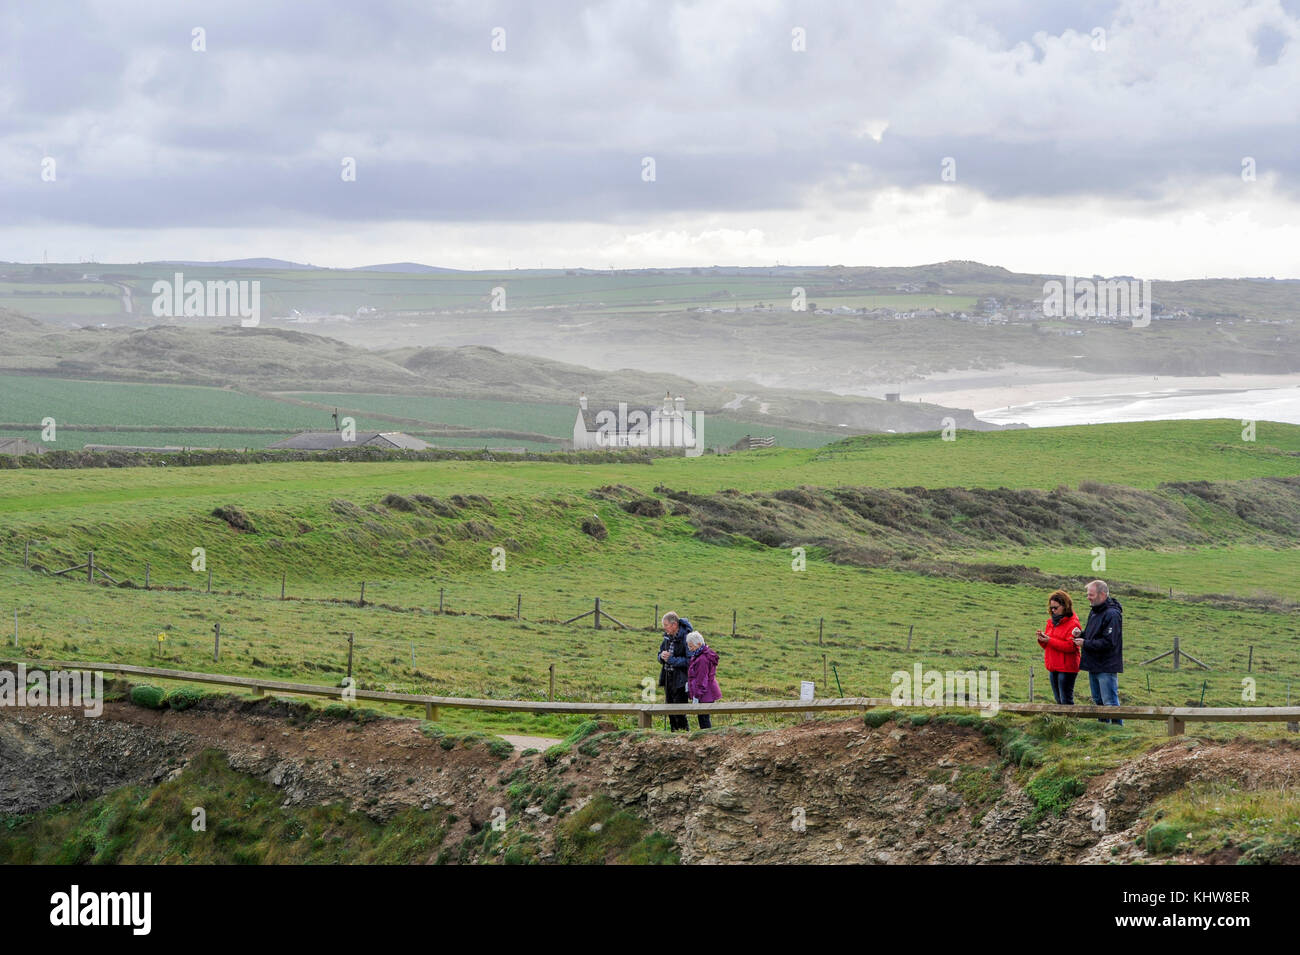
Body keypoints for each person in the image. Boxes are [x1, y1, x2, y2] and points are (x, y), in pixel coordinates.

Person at [1073, 580, 1124, 725]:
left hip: (1106, 666)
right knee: (1098, 701)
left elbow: (1109, 642)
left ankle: (1117, 730)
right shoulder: (1095, 611)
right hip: (1094, 664)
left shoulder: (1112, 614)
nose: (1088, 597)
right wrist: (1081, 635)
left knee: (1110, 702)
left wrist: (1085, 643)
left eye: (1091, 594)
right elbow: (1094, 635)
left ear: (1102, 594)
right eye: (1088, 594)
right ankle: (1103, 729)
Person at [1036, 589, 1082, 705]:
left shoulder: (1073, 624)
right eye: (1051, 608)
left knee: (1066, 701)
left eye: (1055, 608)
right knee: (1058, 701)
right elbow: (1048, 645)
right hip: (1054, 666)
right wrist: (1042, 639)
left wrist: (1050, 640)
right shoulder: (1051, 622)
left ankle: (1070, 722)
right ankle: (1063, 723)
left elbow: (1071, 646)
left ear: (1065, 606)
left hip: (1067, 668)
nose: (1053, 610)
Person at [657, 611, 693, 731]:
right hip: (668, 677)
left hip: (681, 679)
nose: (664, 628)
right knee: (669, 708)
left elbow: (690, 661)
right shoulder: (667, 638)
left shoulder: (686, 638)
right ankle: (673, 733)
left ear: (674, 624)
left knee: (679, 709)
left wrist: (672, 660)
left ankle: (683, 733)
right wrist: (661, 657)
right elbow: (659, 654)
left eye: (666, 625)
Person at [685, 631, 720, 729]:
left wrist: (697, 696)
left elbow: (702, 680)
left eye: (691, 646)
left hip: (704, 694)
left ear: (699, 644)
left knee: (704, 720)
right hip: (706, 693)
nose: (689, 649)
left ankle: (708, 739)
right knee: (703, 718)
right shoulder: (699, 656)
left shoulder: (702, 659)